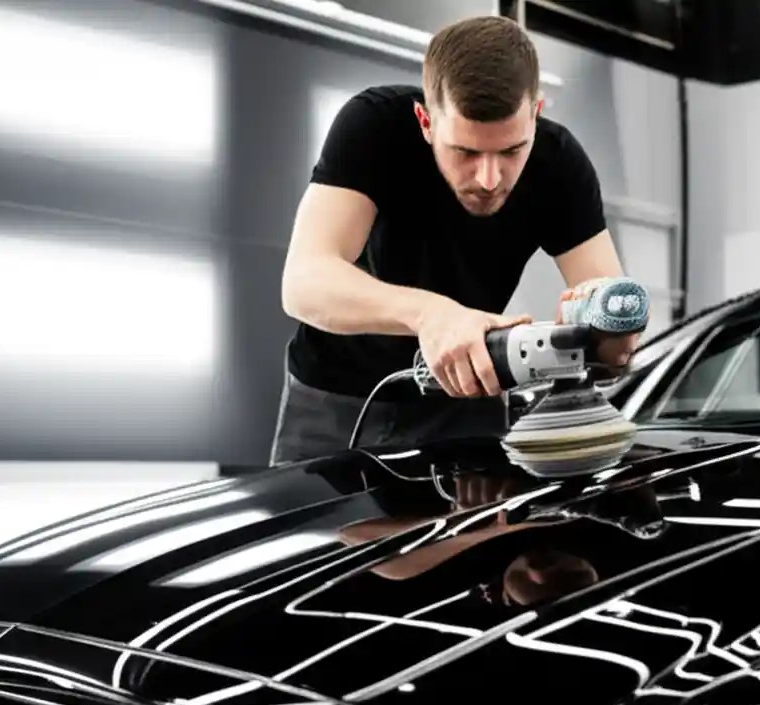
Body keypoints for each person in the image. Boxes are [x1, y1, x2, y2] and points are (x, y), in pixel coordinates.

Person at [271, 15, 640, 465]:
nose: (489, 179)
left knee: (479, 536)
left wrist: (606, 337)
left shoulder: (560, 164)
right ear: (426, 122)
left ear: (536, 115)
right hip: (334, 399)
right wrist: (431, 315)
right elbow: (305, 282)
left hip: (468, 396)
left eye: (511, 151)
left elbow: (612, 313)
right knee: (318, 536)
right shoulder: (372, 127)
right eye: (465, 152)